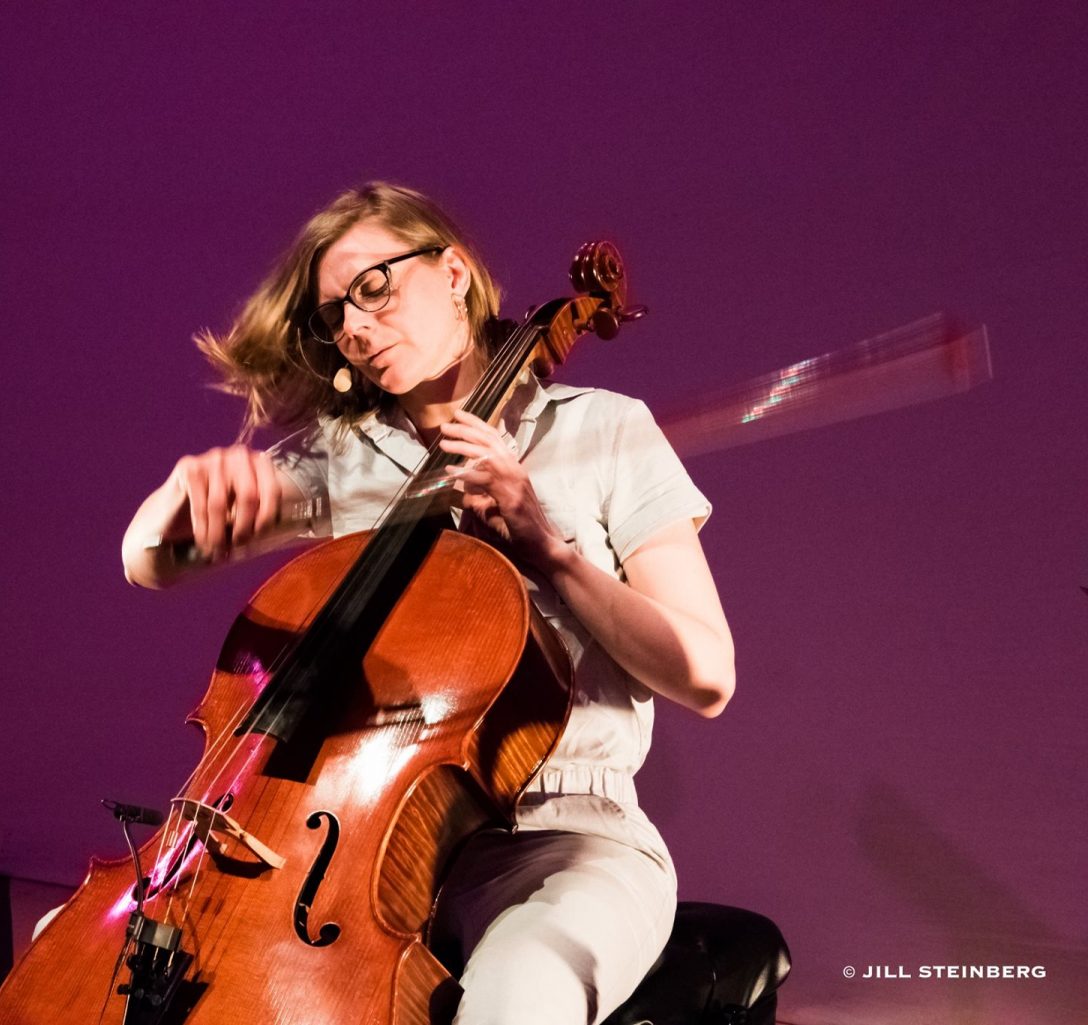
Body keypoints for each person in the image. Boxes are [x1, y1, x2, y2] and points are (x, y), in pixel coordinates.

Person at [119, 183, 735, 1025]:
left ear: (453, 272)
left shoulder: (606, 429)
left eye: (373, 288)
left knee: (521, 994)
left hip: (561, 842)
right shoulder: (348, 461)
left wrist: (547, 549)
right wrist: (181, 496)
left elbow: (706, 674)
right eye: (334, 315)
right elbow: (149, 561)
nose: (357, 328)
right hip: (349, 855)